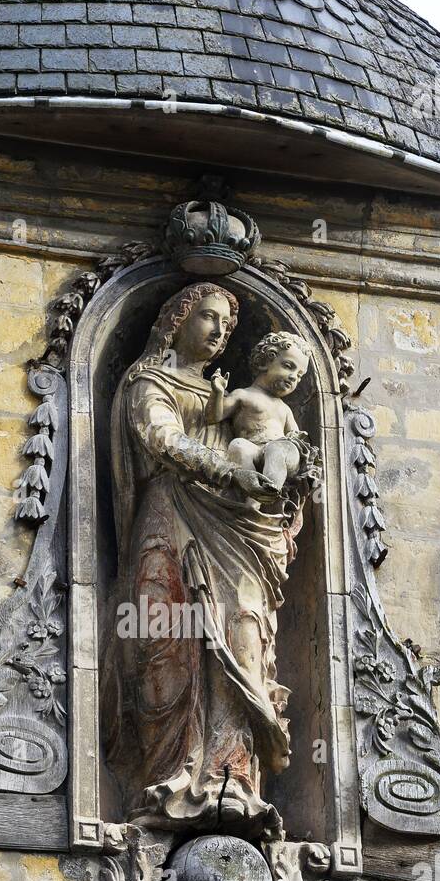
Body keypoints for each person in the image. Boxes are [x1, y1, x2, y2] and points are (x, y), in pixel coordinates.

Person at [102, 283, 317, 841]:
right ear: (176, 319)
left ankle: (232, 779)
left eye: (226, 322)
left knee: (242, 638)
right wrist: (228, 471)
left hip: (236, 530)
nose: (220, 331)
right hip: (170, 518)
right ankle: (168, 776)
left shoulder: (238, 395)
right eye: (208, 317)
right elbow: (163, 439)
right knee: (167, 640)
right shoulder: (149, 381)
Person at [208, 331, 314, 493]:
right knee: (238, 445)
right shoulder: (243, 395)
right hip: (255, 450)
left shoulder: (284, 409)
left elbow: (297, 437)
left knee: (276, 449)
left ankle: (272, 489)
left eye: (299, 376)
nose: (294, 378)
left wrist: (295, 441)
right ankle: (254, 497)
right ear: (264, 362)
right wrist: (217, 393)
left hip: (284, 455)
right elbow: (213, 416)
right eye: (288, 366)